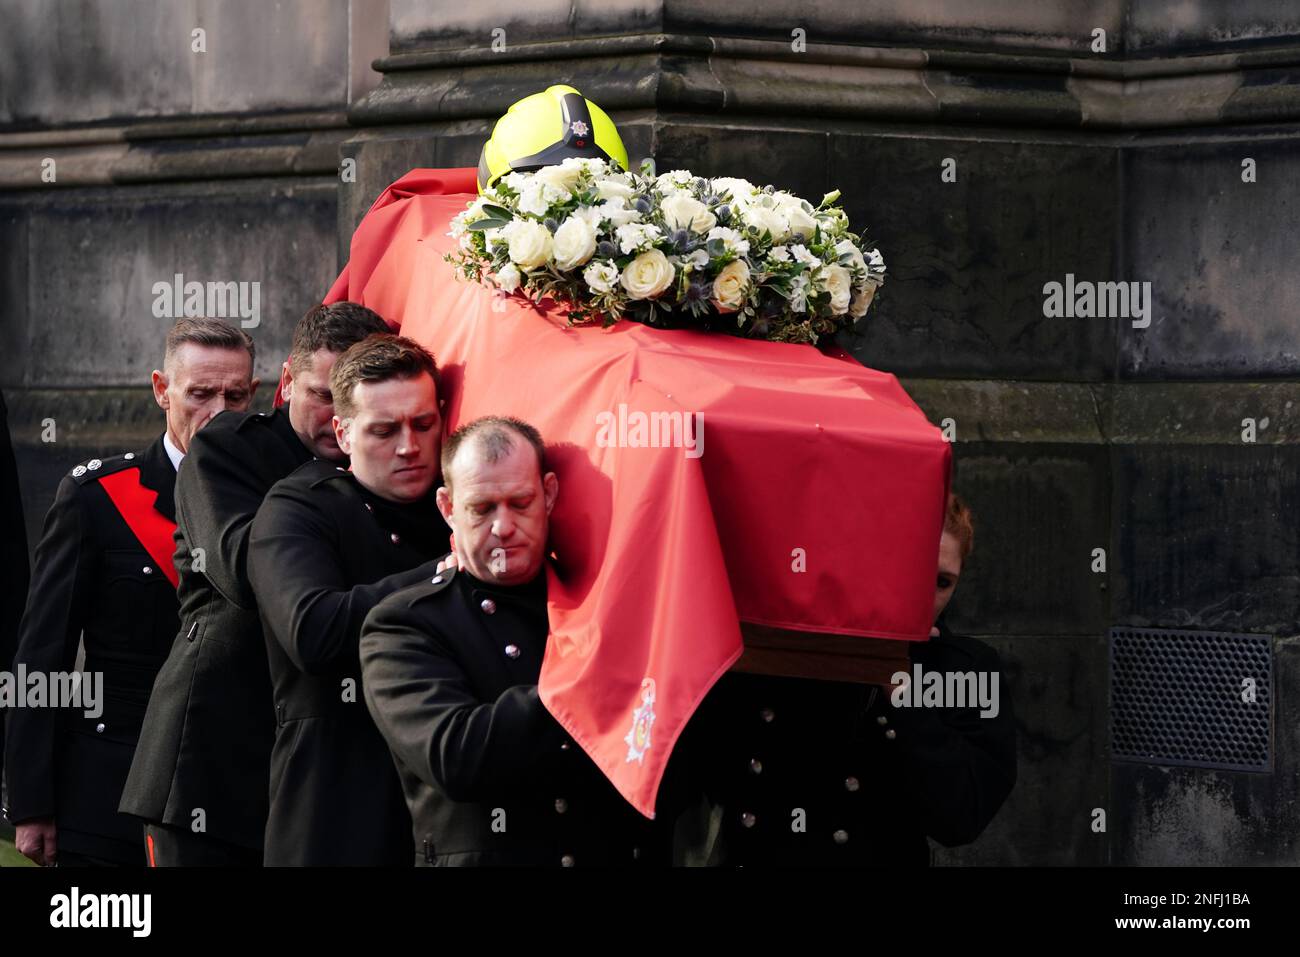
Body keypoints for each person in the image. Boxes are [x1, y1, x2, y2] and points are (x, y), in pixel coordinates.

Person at [119, 302, 389, 867]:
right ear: (288, 382)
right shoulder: (229, 446)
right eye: (322, 395)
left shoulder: (385, 465)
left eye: (355, 401)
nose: (339, 419)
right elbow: (248, 574)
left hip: (322, 772)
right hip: (210, 762)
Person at [4, 318, 257, 866]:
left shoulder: (278, 497)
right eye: (199, 393)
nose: (217, 411)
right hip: (107, 789)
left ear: (254, 394)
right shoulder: (98, 497)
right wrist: (30, 801)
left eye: (234, 395)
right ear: (162, 390)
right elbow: (40, 658)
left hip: (235, 790)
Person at [360, 416, 668, 866]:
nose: (503, 527)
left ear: (549, 493)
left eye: (520, 503)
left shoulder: (598, 607)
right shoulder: (403, 626)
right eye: (482, 509)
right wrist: (593, 678)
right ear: (447, 507)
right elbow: (456, 755)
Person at [694, 492, 1017, 866]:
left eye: (943, 582)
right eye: (910, 573)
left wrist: (901, 688)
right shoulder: (795, 646)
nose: (923, 596)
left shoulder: (965, 668)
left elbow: (961, 818)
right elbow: (709, 769)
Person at [249, 334, 450, 865]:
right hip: (334, 813)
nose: (408, 446)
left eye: (423, 425)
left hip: (446, 816)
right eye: (384, 430)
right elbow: (314, 631)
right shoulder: (297, 508)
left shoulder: (461, 508)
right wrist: (448, 572)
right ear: (342, 432)